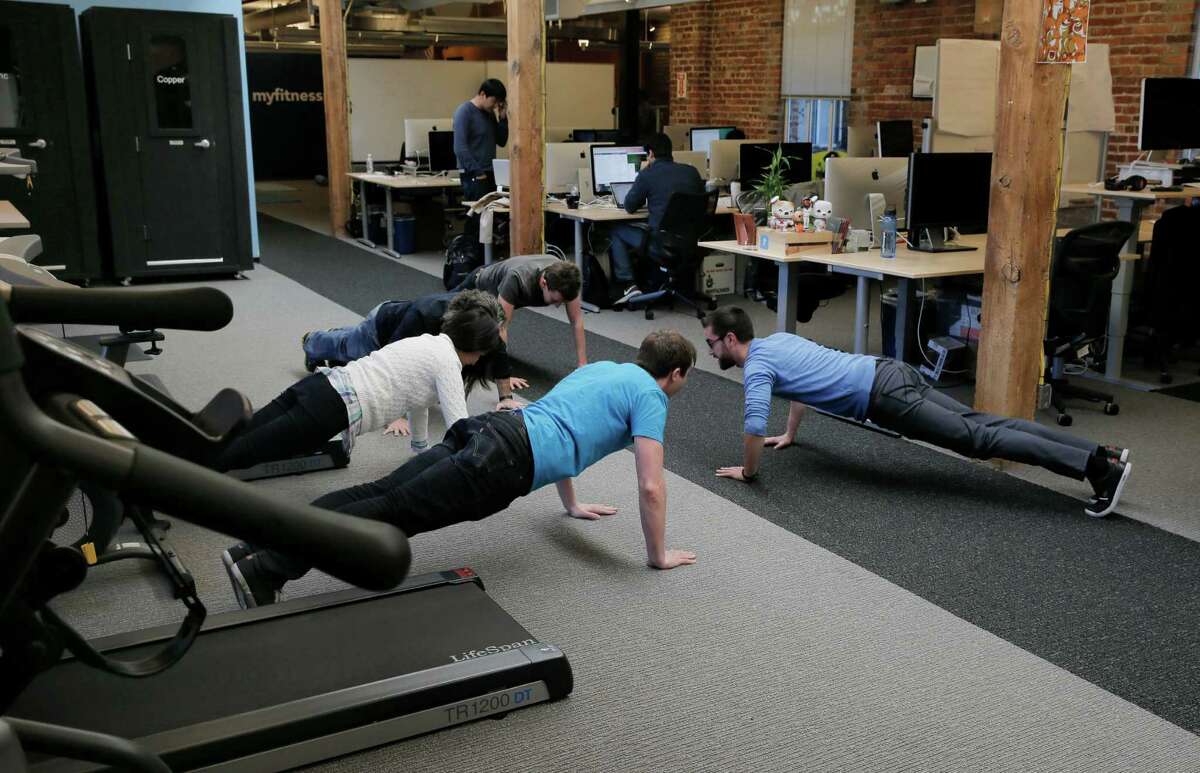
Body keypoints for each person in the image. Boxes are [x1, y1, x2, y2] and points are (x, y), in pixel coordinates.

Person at [223, 330, 699, 608]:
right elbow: (651, 485)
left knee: (383, 492)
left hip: (488, 429)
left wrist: (571, 503)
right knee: (391, 514)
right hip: (503, 462)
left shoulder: (603, 370)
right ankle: (268, 569)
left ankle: (262, 542)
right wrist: (657, 556)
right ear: (676, 374)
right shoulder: (652, 397)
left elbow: (561, 426)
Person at [702, 306, 1133, 518]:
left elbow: (753, 425)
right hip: (888, 370)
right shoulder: (777, 342)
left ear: (731, 338)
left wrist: (749, 471)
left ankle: (1099, 470)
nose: (711, 350)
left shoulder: (756, 369)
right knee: (982, 422)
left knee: (979, 440)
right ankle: (1101, 452)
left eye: (712, 343)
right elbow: (803, 386)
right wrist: (792, 433)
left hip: (885, 398)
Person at [219, 291, 502, 471]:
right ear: (475, 348)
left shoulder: (427, 342)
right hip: (328, 411)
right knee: (244, 453)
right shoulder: (448, 363)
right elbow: (459, 427)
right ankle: (182, 485)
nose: (478, 362)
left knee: (240, 433)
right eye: (481, 355)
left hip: (320, 386)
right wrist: (482, 461)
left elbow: (419, 401)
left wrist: (420, 449)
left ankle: (186, 461)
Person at [303, 258, 586, 411]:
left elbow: (497, 345)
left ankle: (334, 339)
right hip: (384, 326)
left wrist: (505, 397)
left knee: (349, 345)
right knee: (350, 350)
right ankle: (313, 340)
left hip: (407, 318)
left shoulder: (474, 324)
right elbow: (392, 359)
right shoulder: (428, 314)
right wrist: (398, 415)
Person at [608, 133, 705, 306]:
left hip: (661, 244)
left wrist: (645, 172)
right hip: (691, 241)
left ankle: (629, 284)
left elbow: (629, 206)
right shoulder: (692, 171)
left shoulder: (648, 174)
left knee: (616, 230)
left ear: (650, 153)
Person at [453, 79, 509, 253]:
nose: (494, 106)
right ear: (483, 94)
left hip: (489, 172)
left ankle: (484, 256)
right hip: (474, 173)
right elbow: (459, 148)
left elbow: (501, 141)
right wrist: (477, 172)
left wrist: (503, 119)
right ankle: (469, 255)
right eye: (493, 102)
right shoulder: (464, 112)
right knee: (477, 218)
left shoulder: (489, 114)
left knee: (488, 219)